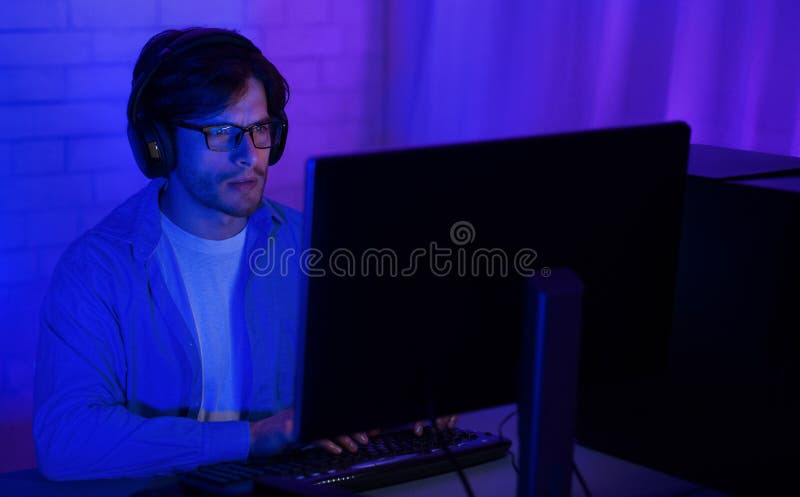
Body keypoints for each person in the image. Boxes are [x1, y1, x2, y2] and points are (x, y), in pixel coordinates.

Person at [33, 26, 454, 481]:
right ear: (158, 145)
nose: (249, 156)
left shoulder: (314, 246)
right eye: (221, 132)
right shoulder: (96, 270)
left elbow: (377, 372)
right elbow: (67, 441)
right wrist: (252, 439)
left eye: (259, 130)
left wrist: (411, 401)